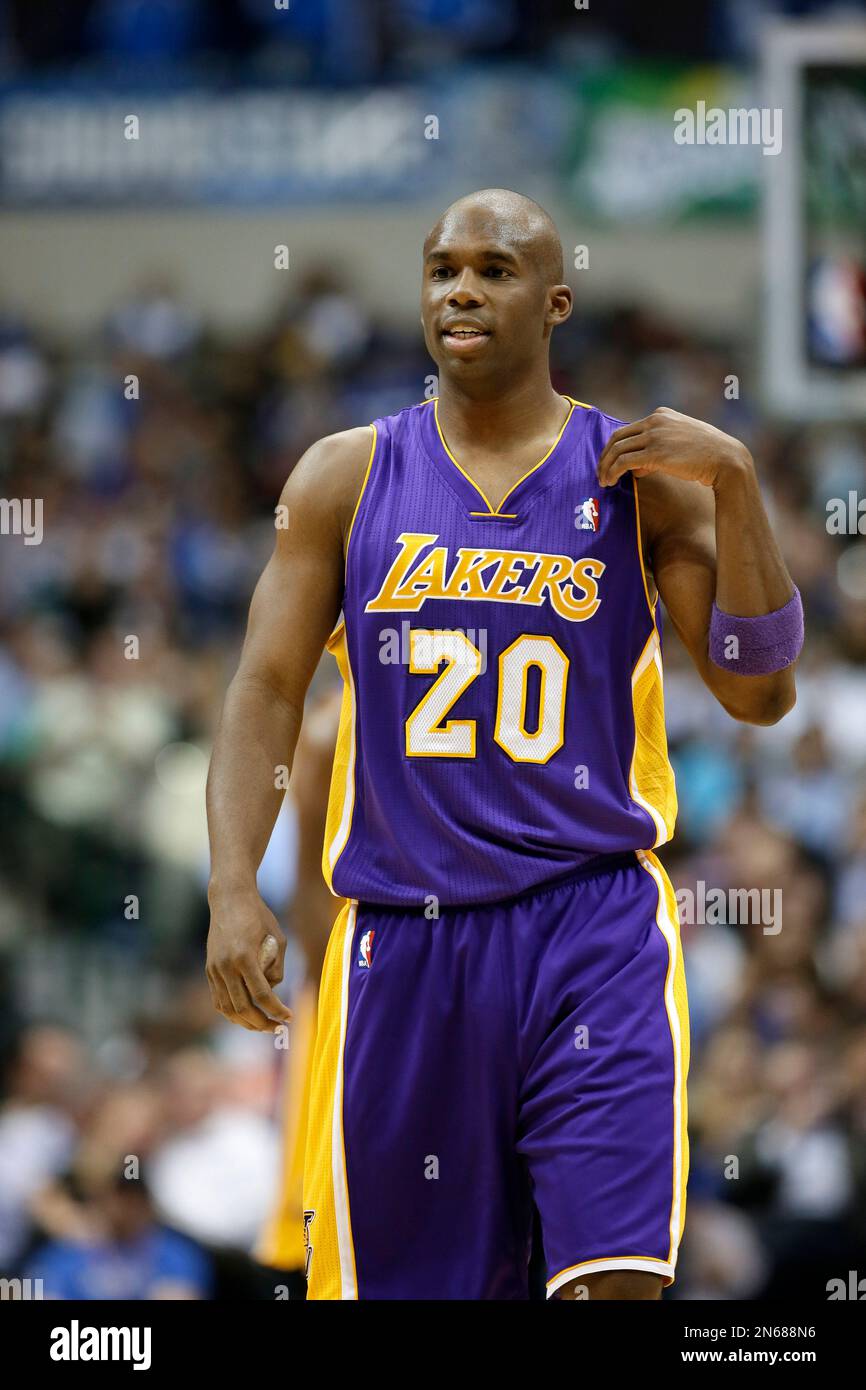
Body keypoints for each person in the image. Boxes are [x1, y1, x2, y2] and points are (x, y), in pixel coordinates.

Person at [205, 188, 801, 1300]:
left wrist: (734, 481)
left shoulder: (632, 480)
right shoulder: (343, 475)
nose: (461, 290)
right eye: (441, 269)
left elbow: (760, 692)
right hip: (406, 941)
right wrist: (232, 881)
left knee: (613, 1283)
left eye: (493, 268)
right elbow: (265, 685)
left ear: (554, 301)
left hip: (594, 925)